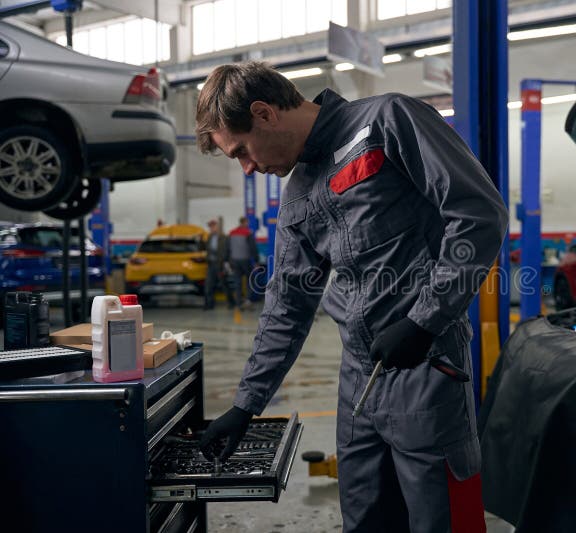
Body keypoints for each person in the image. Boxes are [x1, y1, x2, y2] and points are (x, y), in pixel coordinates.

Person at [195, 61, 508, 533]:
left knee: (440, 520)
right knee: (364, 521)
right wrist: (245, 405)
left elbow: (478, 215)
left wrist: (425, 320)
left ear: (264, 114)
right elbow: (287, 304)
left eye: (241, 151)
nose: (249, 168)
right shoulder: (297, 195)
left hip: (426, 371)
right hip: (359, 382)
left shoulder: (388, 122)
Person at [227, 216, 259, 309]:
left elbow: (228, 248)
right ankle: (248, 301)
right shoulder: (248, 233)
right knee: (250, 280)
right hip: (245, 260)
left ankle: (238, 303)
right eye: (247, 223)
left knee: (237, 282)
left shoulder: (231, 233)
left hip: (234, 261)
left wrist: (227, 261)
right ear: (245, 222)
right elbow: (253, 248)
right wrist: (256, 261)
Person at [203, 218, 234, 310]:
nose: (211, 228)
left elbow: (227, 251)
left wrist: (226, 263)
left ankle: (231, 302)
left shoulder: (224, 237)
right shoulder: (209, 237)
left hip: (220, 264)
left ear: (217, 226)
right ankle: (209, 304)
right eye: (210, 226)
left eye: (213, 226)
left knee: (224, 285)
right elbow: (207, 249)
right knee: (209, 285)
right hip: (211, 264)